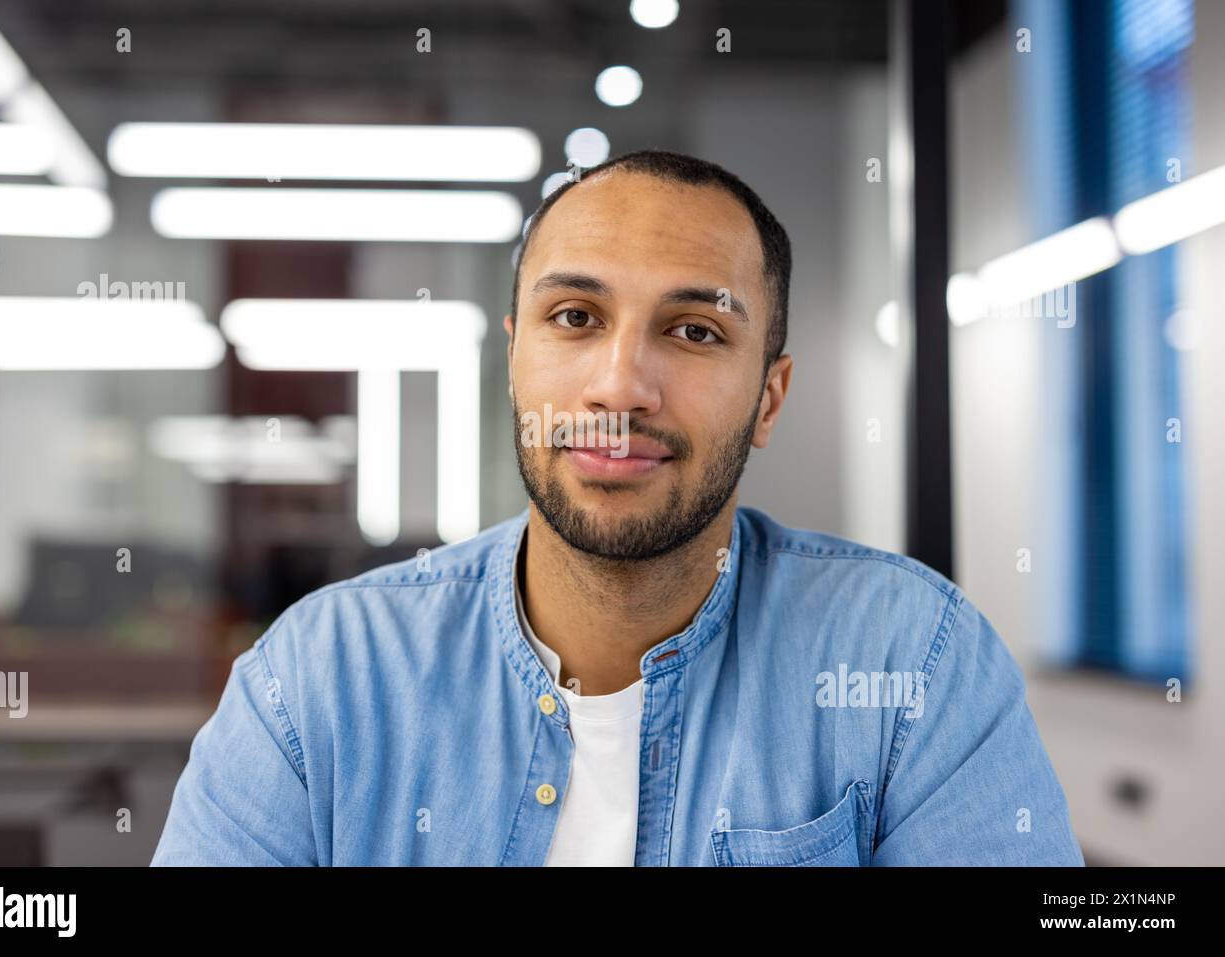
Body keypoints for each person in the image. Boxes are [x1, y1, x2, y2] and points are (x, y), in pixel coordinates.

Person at [152, 149, 1084, 866]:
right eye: (575, 318)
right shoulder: (318, 681)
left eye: (694, 331)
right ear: (516, 358)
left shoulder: (913, 661)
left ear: (768, 397)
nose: (619, 384)